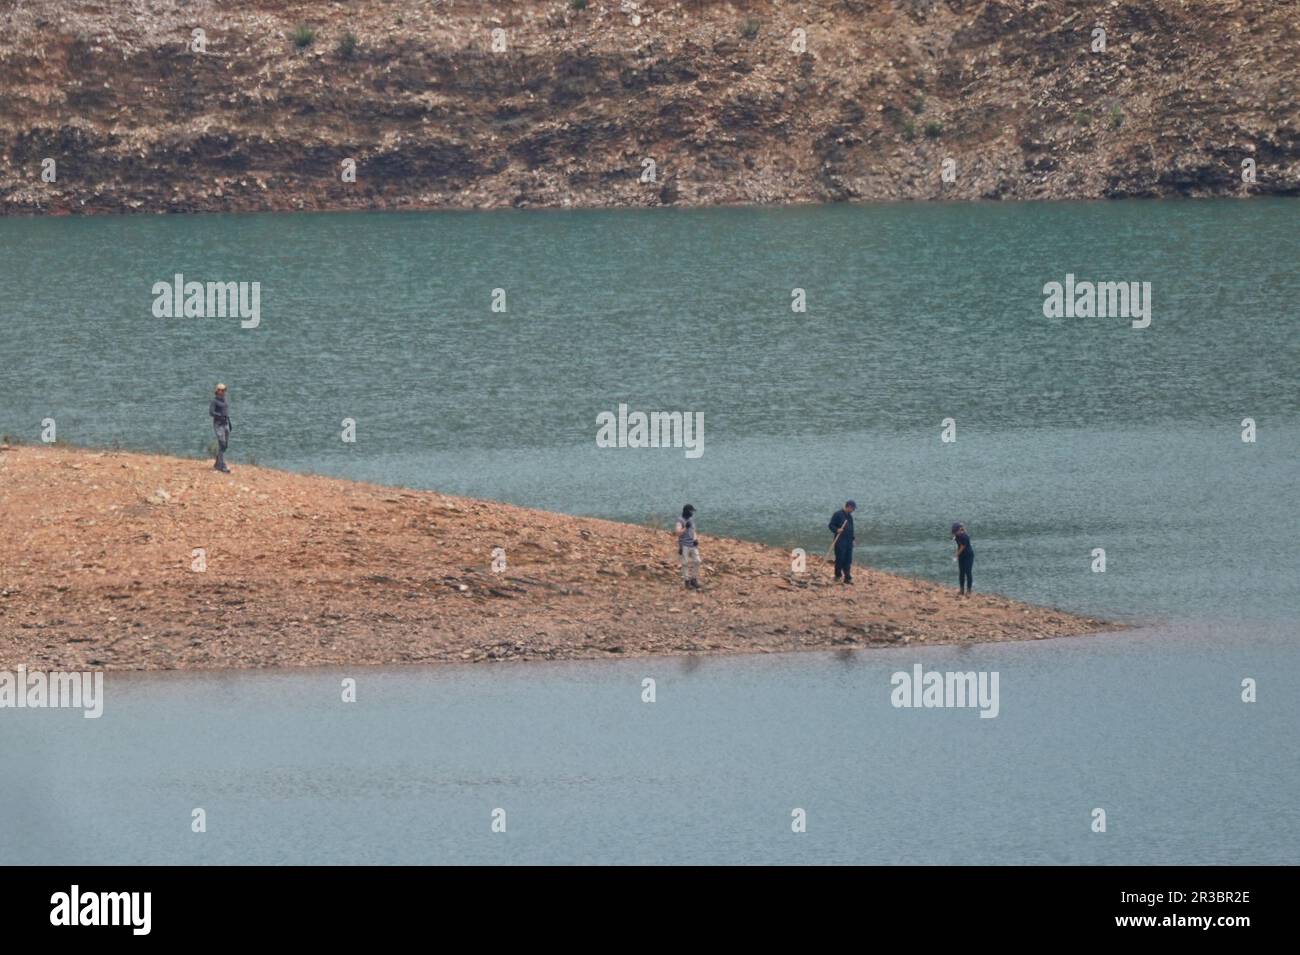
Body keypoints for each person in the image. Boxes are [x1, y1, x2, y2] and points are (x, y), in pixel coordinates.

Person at [828, 500, 857, 584]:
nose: (853, 511)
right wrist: (837, 530)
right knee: (840, 559)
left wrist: (853, 539)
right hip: (840, 541)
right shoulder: (837, 514)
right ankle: (837, 576)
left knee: (848, 559)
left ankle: (847, 578)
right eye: (853, 509)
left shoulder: (849, 516)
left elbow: (851, 529)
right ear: (849, 507)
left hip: (848, 541)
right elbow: (831, 525)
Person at [675, 504, 701, 589]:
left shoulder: (691, 519)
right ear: (687, 511)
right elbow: (678, 533)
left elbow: (693, 530)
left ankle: (694, 579)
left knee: (697, 561)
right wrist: (685, 527)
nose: (692, 513)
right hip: (684, 545)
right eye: (691, 511)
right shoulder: (680, 520)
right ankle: (687, 582)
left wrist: (695, 539)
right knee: (685, 563)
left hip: (692, 544)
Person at [209, 382, 232, 473]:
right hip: (218, 424)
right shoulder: (214, 401)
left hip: (226, 423)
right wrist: (219, 415)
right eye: (221, 390)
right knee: (222, 443)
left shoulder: (225, 400)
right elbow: (211, 412)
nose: (223, 392)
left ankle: (217, 462)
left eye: (224, 390)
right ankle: (222, 466)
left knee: (225, 445)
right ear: (217, 391)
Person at [952, 522, 974, 596]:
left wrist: (956, 555)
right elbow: (958, 545)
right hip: (961, 556)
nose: (954, 533)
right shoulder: (957, 536)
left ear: (959, 530)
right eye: (954, 532)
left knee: (968, 572)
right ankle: (961, 590)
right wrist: (958, 555)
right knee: (961, 572)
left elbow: (962, 547)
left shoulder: (964, 536)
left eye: (955, 532)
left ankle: (969, 591)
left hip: (968, 556)